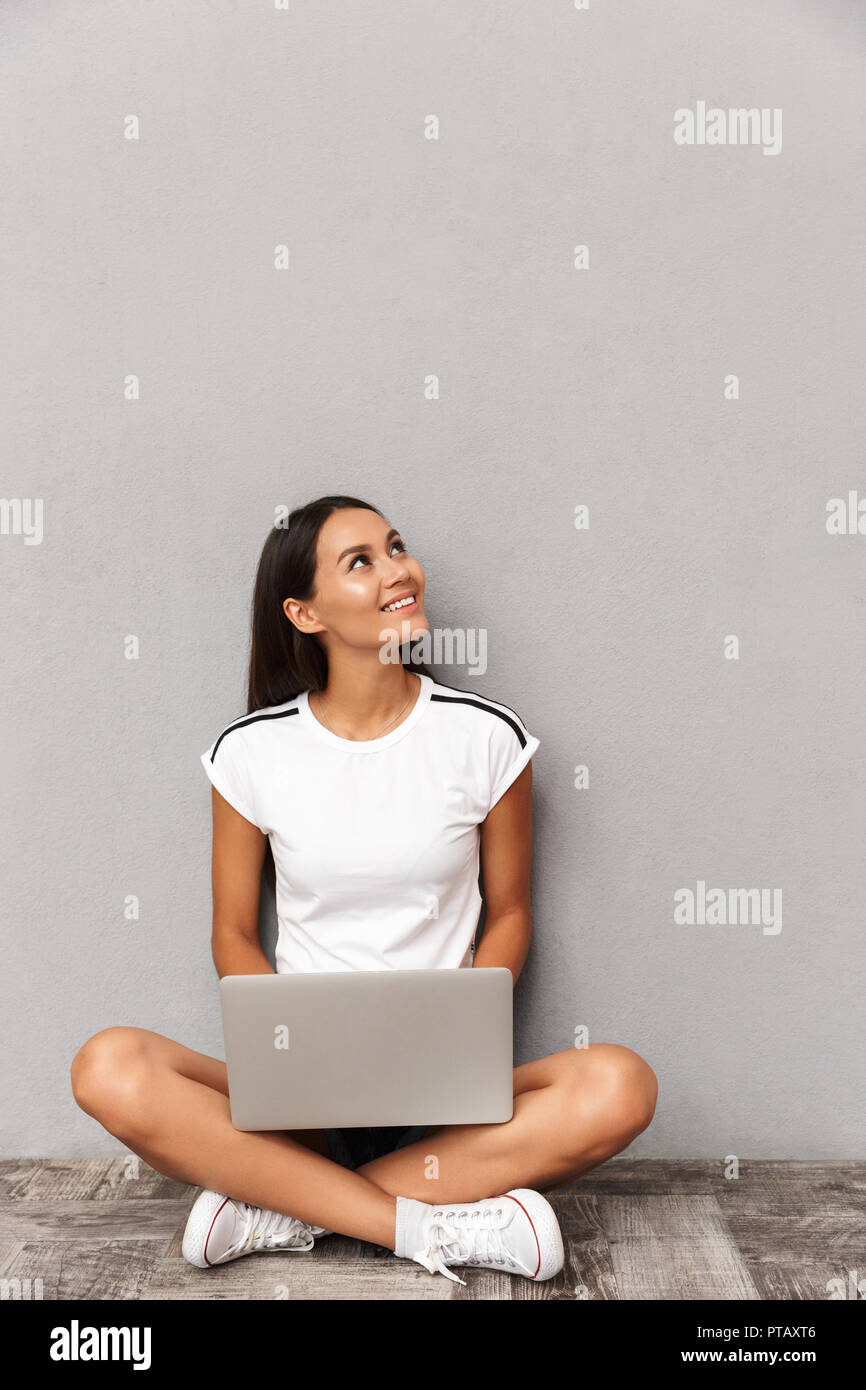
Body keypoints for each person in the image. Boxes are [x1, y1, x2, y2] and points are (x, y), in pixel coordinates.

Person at [70, 494, 658, 1285]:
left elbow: (513, 913)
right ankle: (428, 1227)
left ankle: (274, 1206)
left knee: (619, 1084)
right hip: (303, 1099)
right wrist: (282, 1047)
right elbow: (234, 934)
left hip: (448, 1100)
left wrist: (462, 1016)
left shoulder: (487, 737)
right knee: (108, 1066)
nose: (398, 571)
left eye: (396, 547)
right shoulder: (250, 753)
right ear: (304, 613)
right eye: (361, 562)